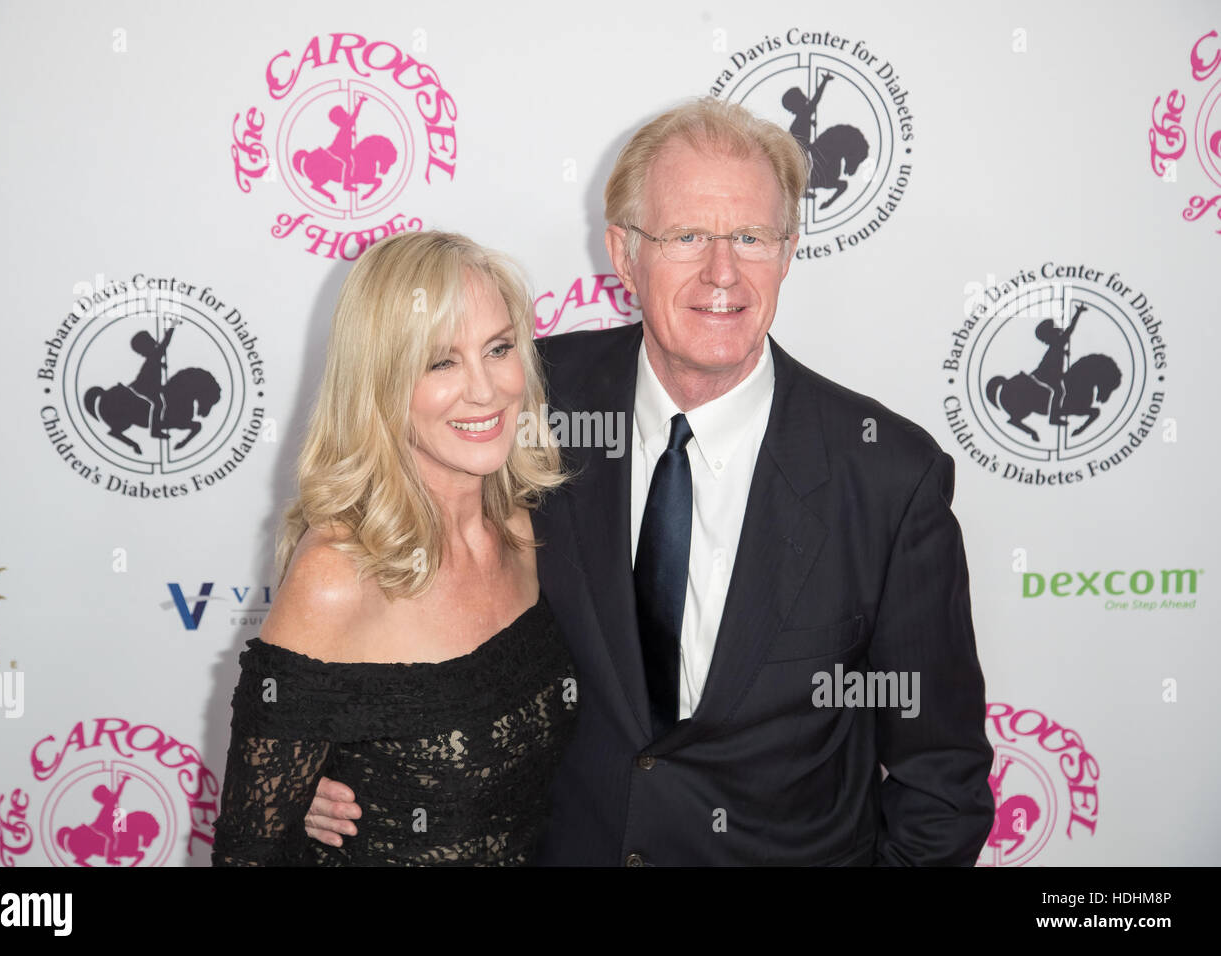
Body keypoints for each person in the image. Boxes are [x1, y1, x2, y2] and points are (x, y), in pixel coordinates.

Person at [305, 98, 994, 865]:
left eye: (751, 237)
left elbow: (942, 778)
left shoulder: (887, 477)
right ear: (624, 252)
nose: (722, 272)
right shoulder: (521, 400)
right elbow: (384, 540)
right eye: (687, 235)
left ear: (789, 250)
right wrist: (327, 759)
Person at [212, 230, 577, 866]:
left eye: (498, 348)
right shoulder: (338, 575)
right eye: (441, 362)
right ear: (379, 384)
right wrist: (298, 810)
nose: (485, 390)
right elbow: (250, 855)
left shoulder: (517, 525)